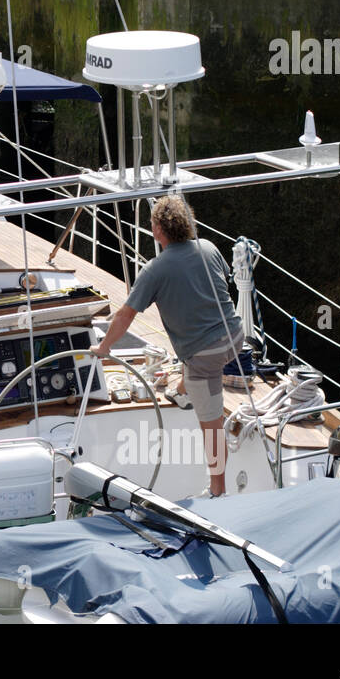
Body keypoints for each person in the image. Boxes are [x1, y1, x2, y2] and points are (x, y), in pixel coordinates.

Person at [91, 195, 244, 499]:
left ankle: (218, 491)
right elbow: (220, 283)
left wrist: (104, 348)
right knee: (191, 369)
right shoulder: (210, 248)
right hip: (236, 338)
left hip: (204, 357)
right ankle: (182, 389)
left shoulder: (155, 269)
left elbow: (125, 315)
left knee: (211, 427)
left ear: (158, 229)